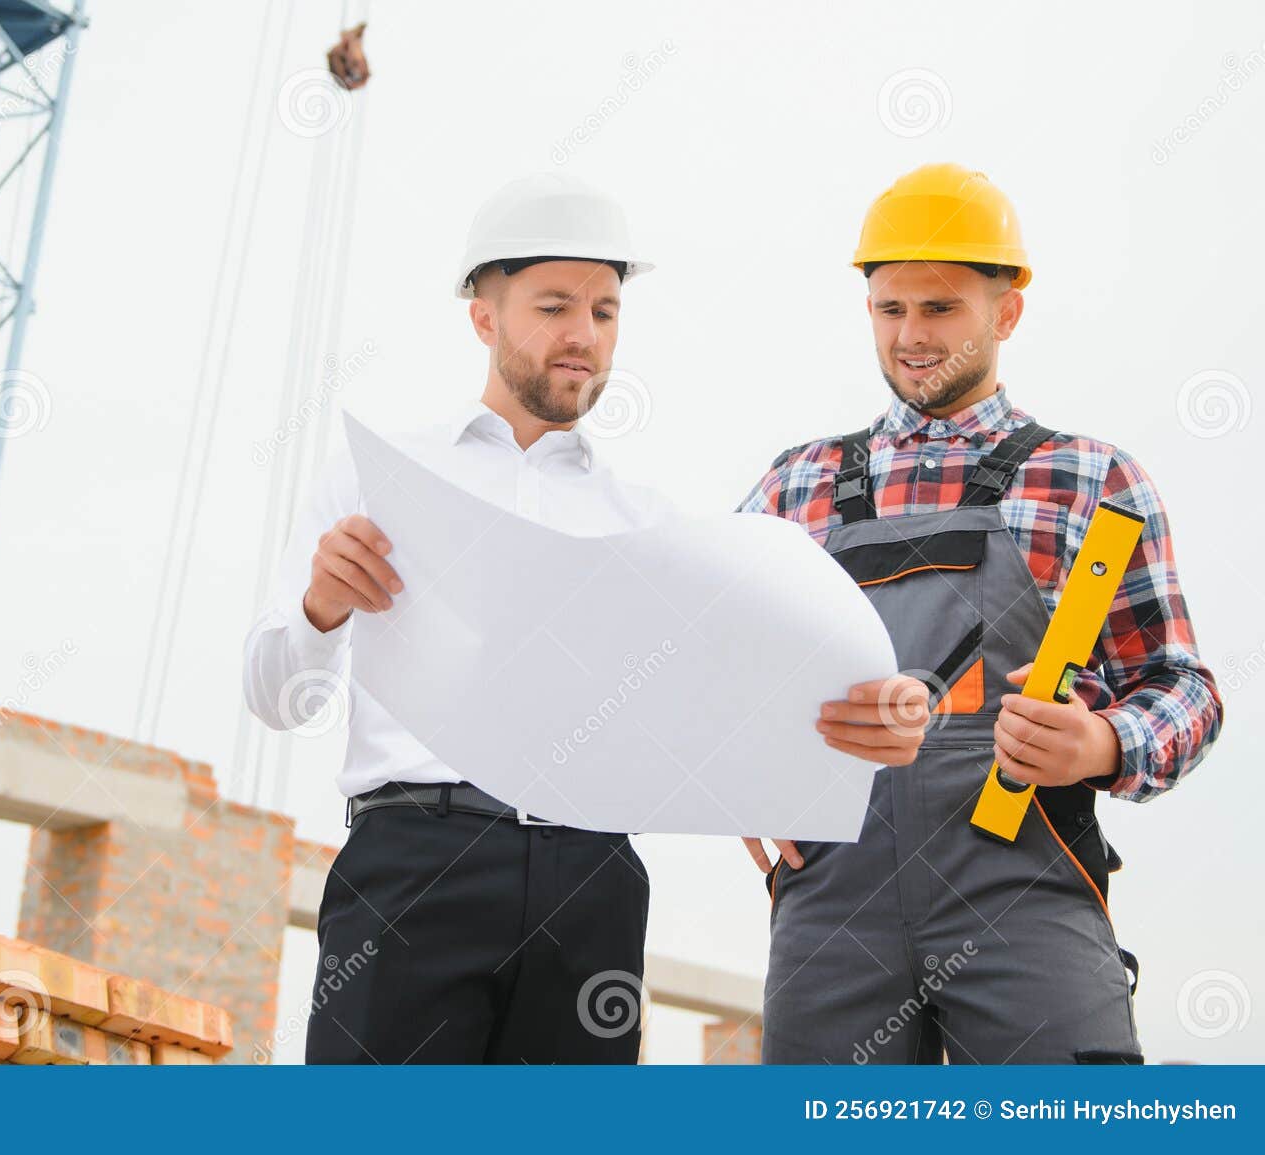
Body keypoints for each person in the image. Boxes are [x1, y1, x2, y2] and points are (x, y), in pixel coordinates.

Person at [242, 172, 930, 1063]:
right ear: (483, 317)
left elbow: (735, 695)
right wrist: (321, 606)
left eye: (605, 312)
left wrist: (861, 726)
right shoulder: (378, 479)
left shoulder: (644, 524)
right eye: (554, 307)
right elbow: (277, 699)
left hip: (592, 885)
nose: (584, 335)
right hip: (413, 865)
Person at [737, 162, 1224, 1064]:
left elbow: (1182, 685)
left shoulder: (1091, 479)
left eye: (941, 308)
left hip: (1024, 893)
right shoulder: (793, 486)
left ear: (1008, 312)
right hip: (833, 909)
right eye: (891, 309)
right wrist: (740, 773)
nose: (911, 335)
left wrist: (1102, 742)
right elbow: (717, 672)